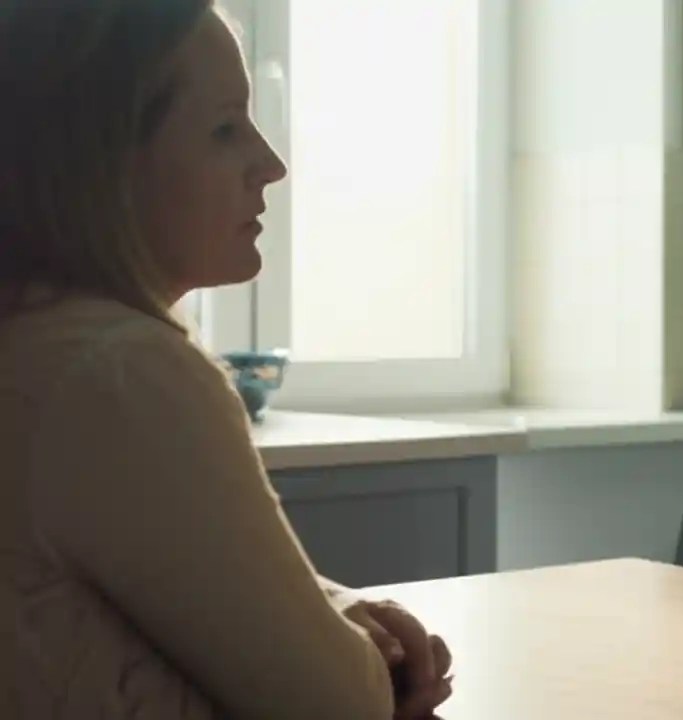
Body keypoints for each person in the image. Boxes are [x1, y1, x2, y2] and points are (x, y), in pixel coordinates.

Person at [1, 2, 451, 717]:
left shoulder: (32, 342)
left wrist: (326, 605)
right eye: (223, 128)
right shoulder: (120, 374)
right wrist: (367, 662)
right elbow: (339, 705)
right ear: (102, 161)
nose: (269, 165)